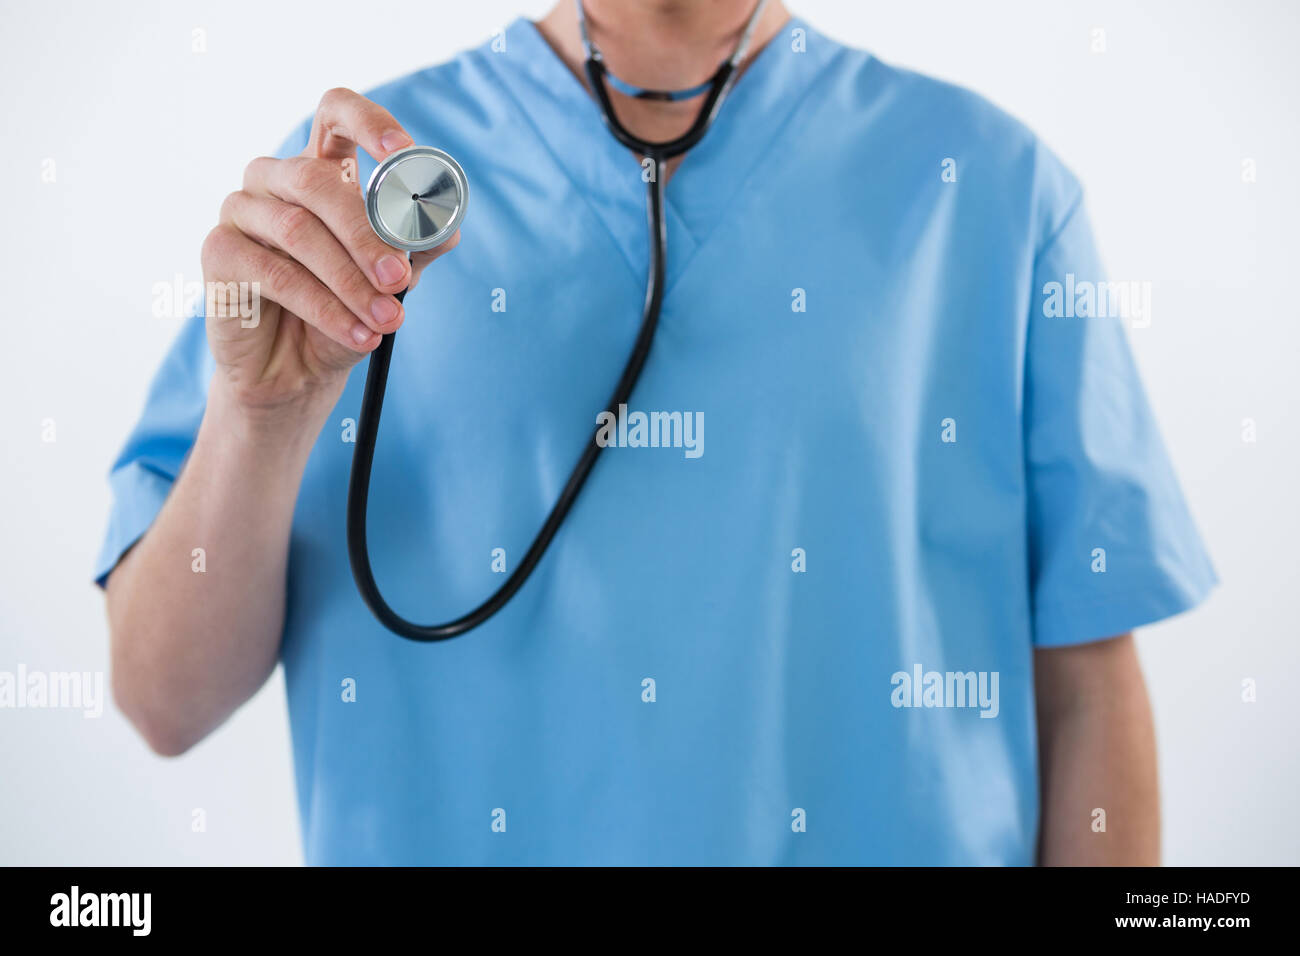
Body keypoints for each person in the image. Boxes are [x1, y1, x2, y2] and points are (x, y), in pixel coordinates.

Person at [97, 0, 1216, 865]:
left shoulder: (988, 186)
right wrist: (265, 418)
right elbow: (163, 700)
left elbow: (1084, 686)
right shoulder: (342, 193)